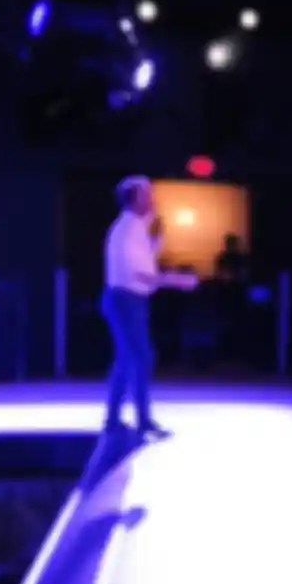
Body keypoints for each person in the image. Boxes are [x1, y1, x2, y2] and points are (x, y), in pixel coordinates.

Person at [102, 175, 198, 438]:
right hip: (125, 299)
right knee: (141, 356)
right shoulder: (128, 229)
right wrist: (178, 281)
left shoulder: (135, 228)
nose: (153, 200)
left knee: (127, 358)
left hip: (128, 299)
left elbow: (144, 263)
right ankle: (142, 421)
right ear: (134, 200)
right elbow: (140, 274)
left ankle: (114, 420)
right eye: (147, 195)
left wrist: (157, 240)